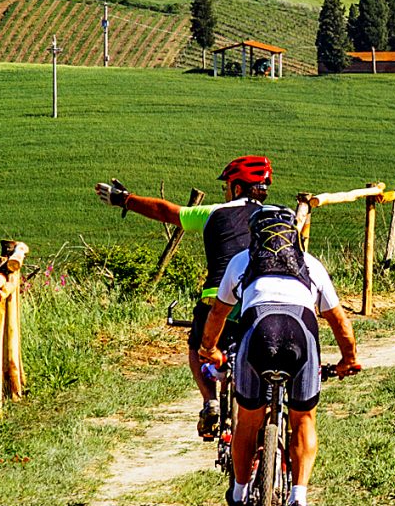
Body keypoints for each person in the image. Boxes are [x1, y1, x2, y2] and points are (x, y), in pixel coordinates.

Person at [200, 208, 359, 506]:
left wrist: (210, 350)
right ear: (293, 236)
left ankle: (240, 495)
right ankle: (298, 501)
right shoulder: (311, 265)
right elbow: (339, 321)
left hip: (258, 331)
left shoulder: (241, 262)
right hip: (300, 333)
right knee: (303, 419)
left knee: (248, 420)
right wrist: (349, 359)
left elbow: (217, 313)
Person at [94, 155, 273, 438]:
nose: (225, 192)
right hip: (261, 297)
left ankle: (209, 400)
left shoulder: (214, 213)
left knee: (197, 346)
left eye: (227, 186)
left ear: (237, 188)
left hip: (217, 297)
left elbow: (166, 211)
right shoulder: (277, 217)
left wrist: (126, 199)